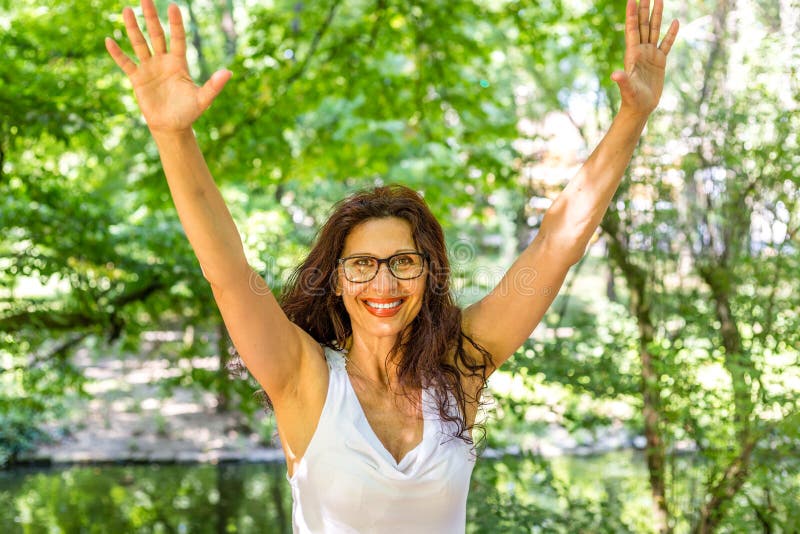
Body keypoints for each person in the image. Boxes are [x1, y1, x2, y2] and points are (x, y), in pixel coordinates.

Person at [105, 0, 679, 531]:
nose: (383, 282)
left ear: (429, 273)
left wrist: (632, 116)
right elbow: (226, 269)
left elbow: (556, 244)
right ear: (334, 281)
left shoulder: (458, 368)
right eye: (362, 264)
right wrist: (171, 134)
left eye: (403, 261)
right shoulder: (302, 377)